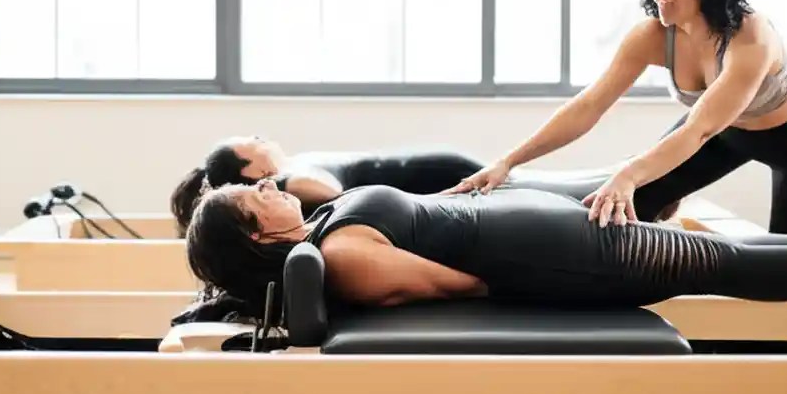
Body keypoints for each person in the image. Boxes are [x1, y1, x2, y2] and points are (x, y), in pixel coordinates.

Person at [444, 0, 787, 236]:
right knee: (625, 201)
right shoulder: (653, 36)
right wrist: (507, 162)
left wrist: (630, 171)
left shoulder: (752, 38)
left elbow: (698, 130)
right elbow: (589, 105)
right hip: (725, 133)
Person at [184, 179, 787, 320]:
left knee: (732, 249)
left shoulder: (325, 224)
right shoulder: (339, 251)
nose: (277, 186)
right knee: (729, 264)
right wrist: (542, 263)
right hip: (570, 261)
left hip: (562, 236)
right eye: (261, 196)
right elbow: (457, 286)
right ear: (258, 233)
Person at [170, 136, 629, 237]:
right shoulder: (293, 181)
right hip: (442, 185)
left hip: (440, 177)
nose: (263, 139)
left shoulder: (288, 174)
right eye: (253, 143)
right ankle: (635, 185)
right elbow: (334, 197)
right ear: (253, 174)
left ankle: (635, 181)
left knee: (550, 186)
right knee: (552, 190)